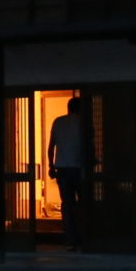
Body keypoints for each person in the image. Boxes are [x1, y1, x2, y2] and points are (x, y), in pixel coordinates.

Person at [46, 94, 90, 249]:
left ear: (68, 108)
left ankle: (70, 240)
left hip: (63, 170)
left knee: (67, 205)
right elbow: (89, 146)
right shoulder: (84, 123)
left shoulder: (58, 122)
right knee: (84, 204)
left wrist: (51, 166)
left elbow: (51, 147)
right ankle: (85, 239)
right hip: (80, 169)